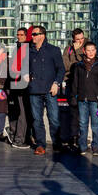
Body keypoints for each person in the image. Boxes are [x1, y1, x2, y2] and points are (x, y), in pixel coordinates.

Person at [26, 24, 66, 155]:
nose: (32, 36)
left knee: (54, 118)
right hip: (34, 90)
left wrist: (56, 83)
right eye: (32, 34)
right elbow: (23, 68)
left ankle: (57, 144)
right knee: (37, 119)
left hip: (50, 90)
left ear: (42, 35)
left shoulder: (53, 50)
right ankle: (40, 145)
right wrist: (25, 75)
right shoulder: (28, 51)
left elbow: (61, 69)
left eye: (35, 34)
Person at [69, 41, 98, 155]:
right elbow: (75, 84)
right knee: (82, 124)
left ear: (96, 51)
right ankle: (83, 146)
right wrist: (74, 97)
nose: (91, 53)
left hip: (95, 101)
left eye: (93, 50)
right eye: (88, 50)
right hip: (82, 100)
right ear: (84, 51)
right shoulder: (79, 66)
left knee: (95, 125)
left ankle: (96, 147)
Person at [60, 28, 87, 152]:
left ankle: (83, 138)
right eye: (78, 40)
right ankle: (73, 138)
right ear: (73, 39)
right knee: (73, 112)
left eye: (82, 39)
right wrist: (75, 53)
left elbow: (84, 64)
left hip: (84, 84)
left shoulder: (88, 47)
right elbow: (67, 65)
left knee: (84, 113)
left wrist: (77, 54)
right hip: (71, 83)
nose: (81, 42)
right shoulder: (68, 49)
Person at [6, 26, 32, 148]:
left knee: (23, 113)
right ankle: (16, 135)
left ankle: (19, 137)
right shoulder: (17, 48)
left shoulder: (28, 48)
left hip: (24, 86)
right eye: (18, 34)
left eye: (22, 35)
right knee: (17, 111)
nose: (19, 36)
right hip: (15, 85)